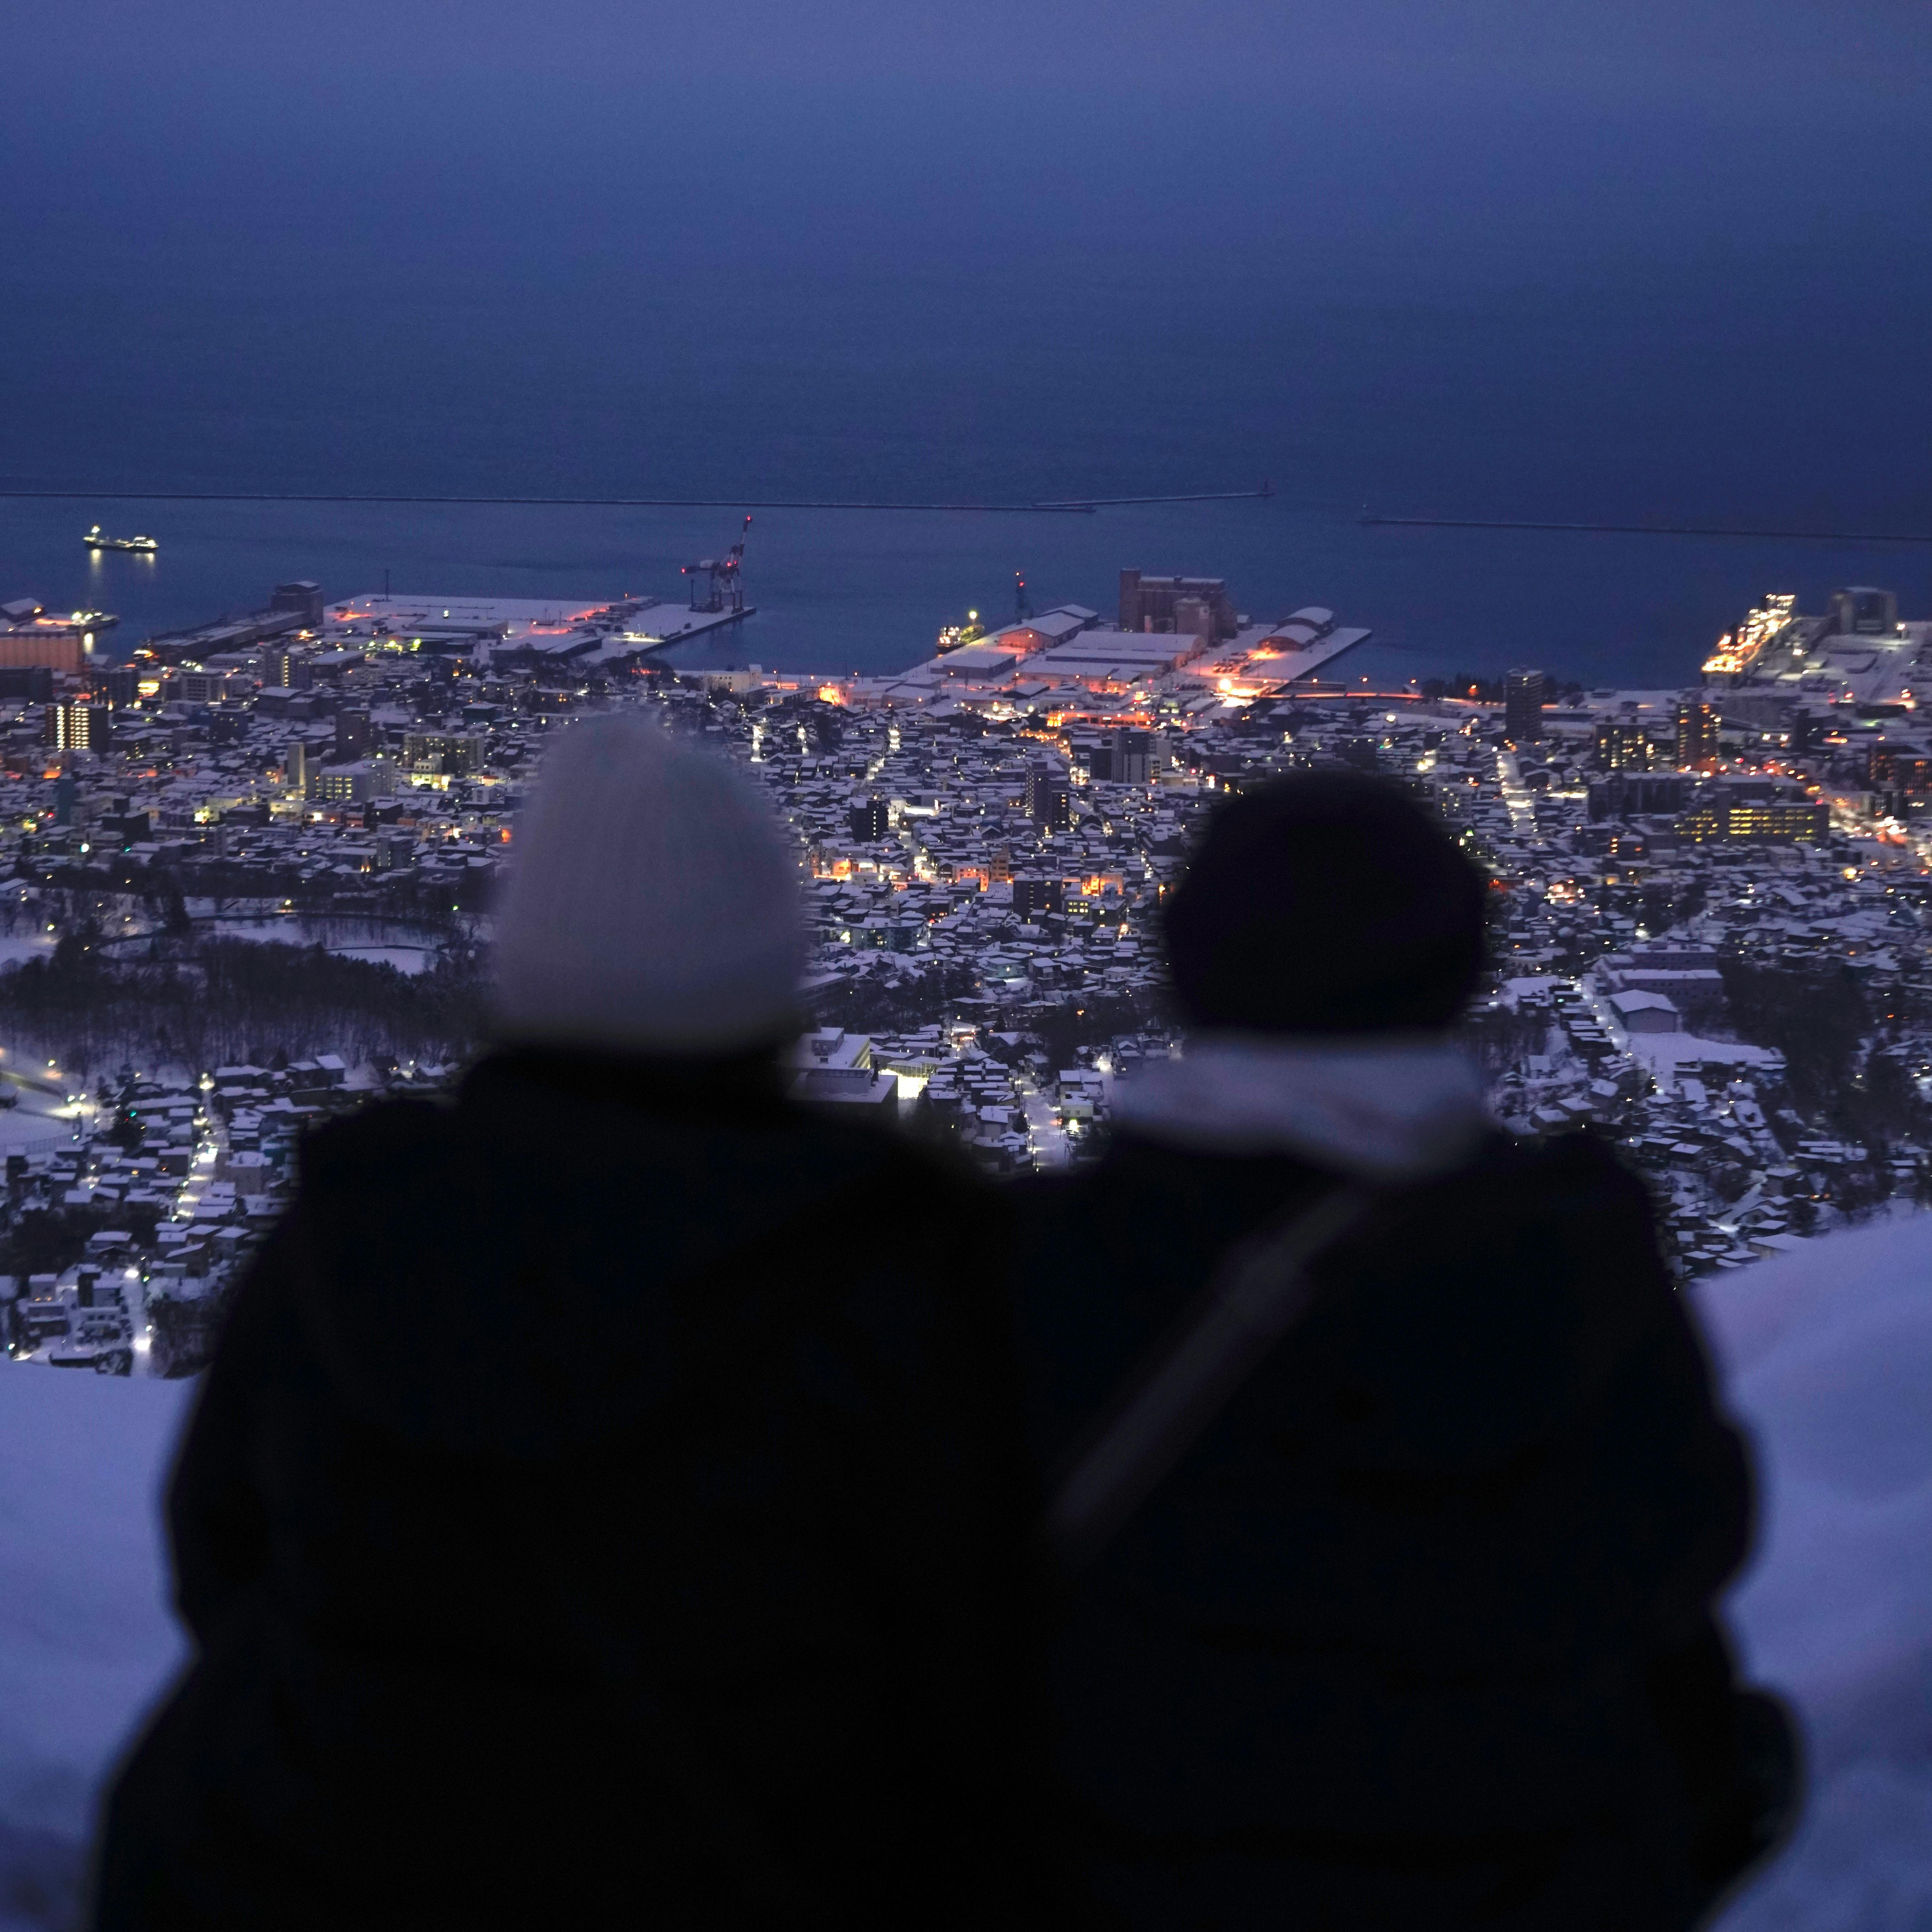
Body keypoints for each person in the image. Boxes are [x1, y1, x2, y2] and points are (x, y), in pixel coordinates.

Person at [96, 714, 1055, 1931]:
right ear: (771, 973)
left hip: (315, 1865)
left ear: (528, 964)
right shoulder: (898, 1270)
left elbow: (221, 1557)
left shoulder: (360, 1234)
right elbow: (986, 1652)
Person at [1013, 773, 1782, 1931]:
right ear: (1462, 969)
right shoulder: (1569, 1252)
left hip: (1124, 1877)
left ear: (1185, 966)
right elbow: (1691, 1540)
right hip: (1523, 1881)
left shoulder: (1041, 1261)